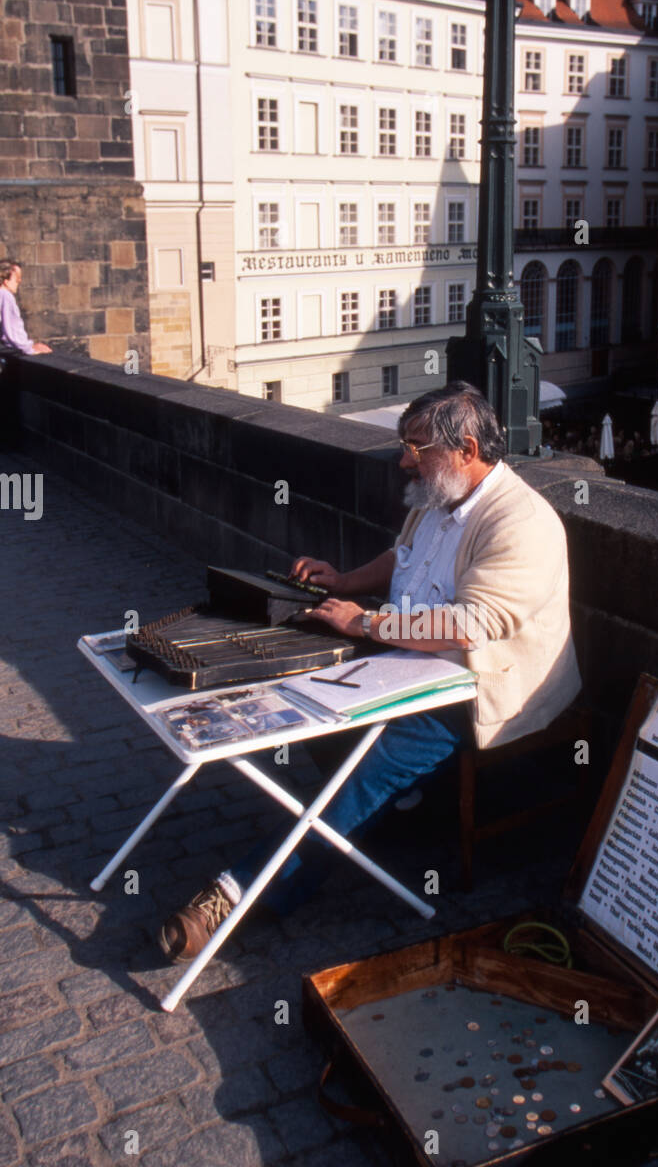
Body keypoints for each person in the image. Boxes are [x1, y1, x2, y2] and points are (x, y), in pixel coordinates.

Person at [158, 380, 582, 961]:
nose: (404, 460)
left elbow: (468, 628)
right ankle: (392, 806)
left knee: (363, 771)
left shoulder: (522, 522)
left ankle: (239, 895)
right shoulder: (443, 491)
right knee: (296, 691)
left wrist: (363, 625)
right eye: (404, 443)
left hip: (476, 686)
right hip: (406, 660)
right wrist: (344, 582)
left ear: (465, 448)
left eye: (416, 447)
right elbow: (400, 560)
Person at [0, 261, 52, 355]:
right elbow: (12, 329)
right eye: (17, 278)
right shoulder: (5, 296)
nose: (19, 281)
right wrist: (29, 349)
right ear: (6, 281)